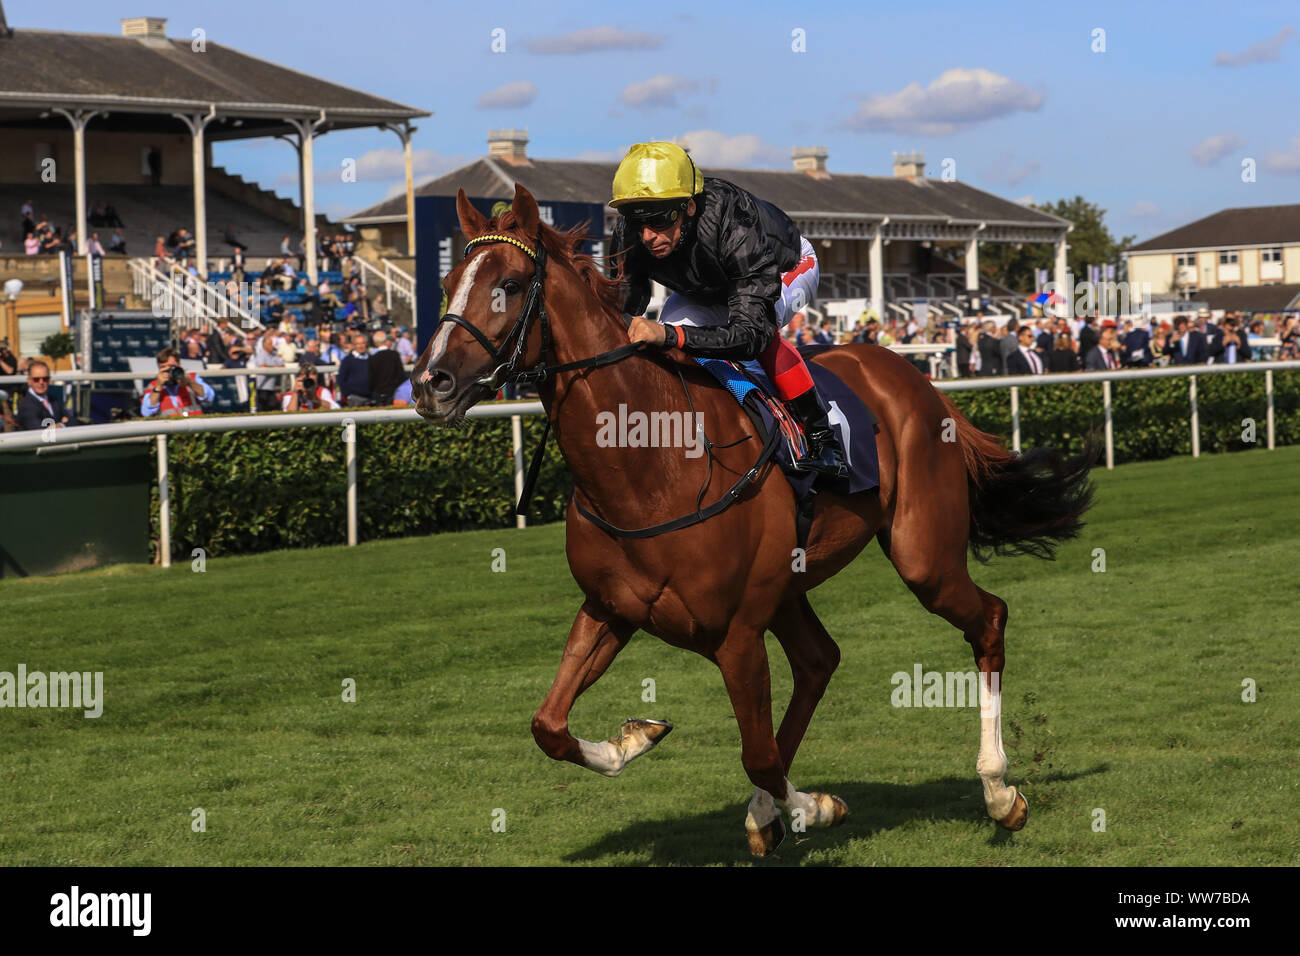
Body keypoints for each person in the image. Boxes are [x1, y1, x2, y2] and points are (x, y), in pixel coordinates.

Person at [608, 141, 846, 476]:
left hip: (786, 268)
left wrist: (670, 334)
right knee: (661, 341)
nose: (647, 235)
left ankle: (824, 439)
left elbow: (751, 333)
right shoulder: (632, 233)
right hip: (708, 286)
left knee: (756, 341)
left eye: (660, 220)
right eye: (636, 221)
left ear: (689, 206)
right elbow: (622, 314)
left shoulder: (733, 218)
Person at [141, 347, 214, 417]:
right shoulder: (153, 385)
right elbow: (146, 413)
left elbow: (209, 397)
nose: (168, 371)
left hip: (195, 424)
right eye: (163, 367)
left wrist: (189, 382)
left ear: (179, 365)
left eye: (171, 366)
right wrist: (158, 386)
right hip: (171, 427)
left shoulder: (192, 377)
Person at [16, 361, 71, 430]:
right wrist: (63, 424)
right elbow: (40, 432)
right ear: (29, 381)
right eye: (36, 379)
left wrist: (60, 425)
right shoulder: (26, 406)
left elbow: (73, 420)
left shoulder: (53, 399)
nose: (41, 382)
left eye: (45, 379)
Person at [368, 330, 405, 405]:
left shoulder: (372, 358)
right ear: (386, 340)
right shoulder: (394, 355)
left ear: (375, 343)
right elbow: (401, 374)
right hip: (393, 392)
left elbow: (371, 378)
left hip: (378, 393)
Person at [338, 333, 372, 406]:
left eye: (363, 343)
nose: (361, 346)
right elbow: (341, 380)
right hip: (354, 399)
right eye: (358, 344)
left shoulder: (372, 359)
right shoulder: (347, 361)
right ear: (354, 345)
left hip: (370, 398)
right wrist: (349, 395)